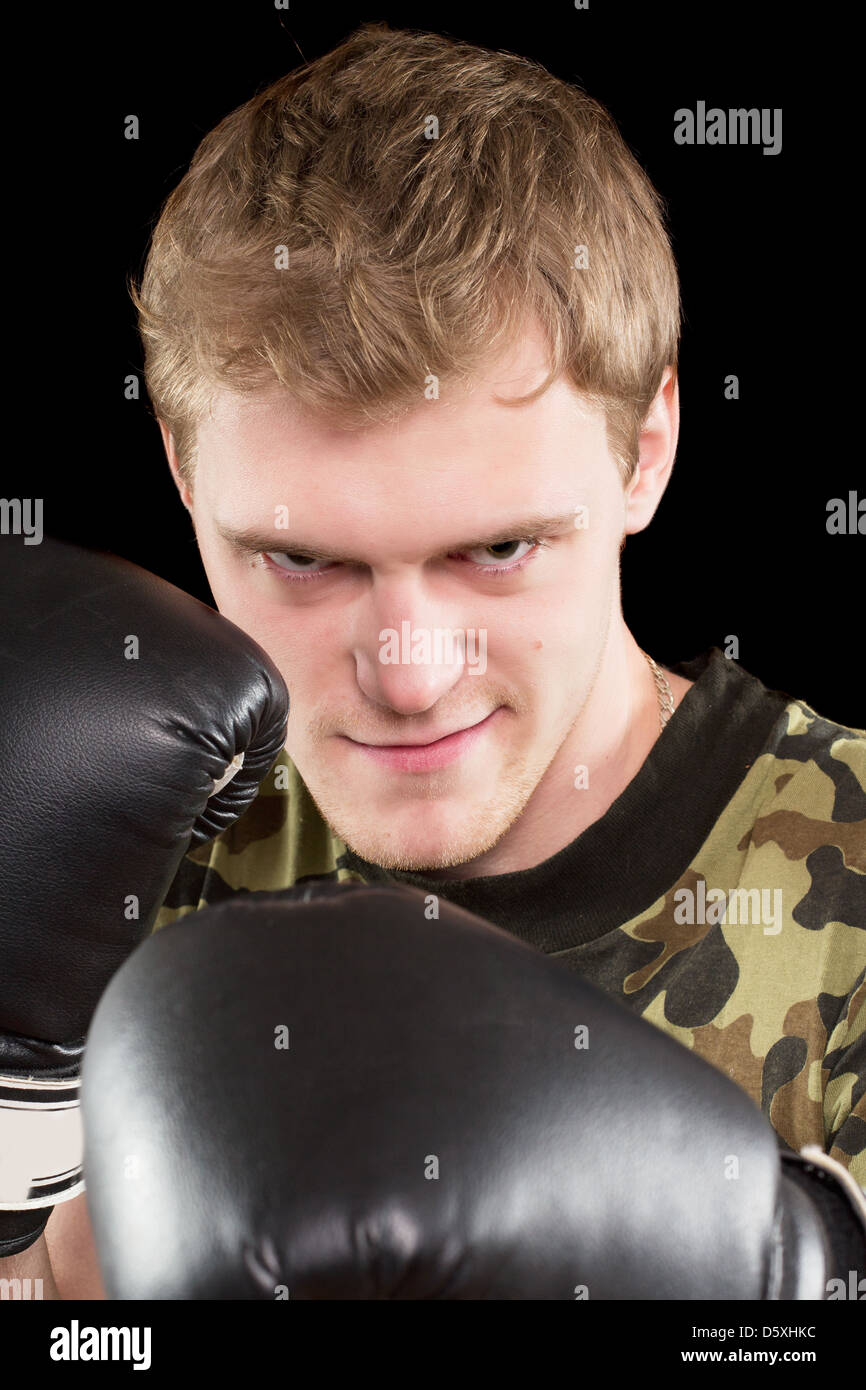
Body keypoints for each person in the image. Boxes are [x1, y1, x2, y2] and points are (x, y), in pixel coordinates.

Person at [3, 21, 863, 1299]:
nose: (406, 672)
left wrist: (787, 1284)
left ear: (646, 452)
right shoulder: (113, 847)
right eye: (303, 563)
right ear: (184, 475)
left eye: (497, 548)